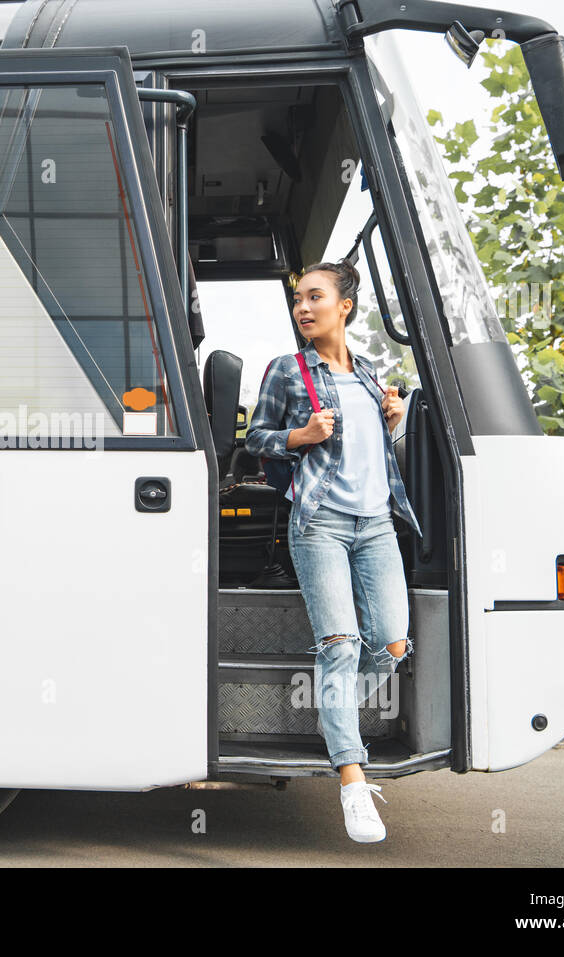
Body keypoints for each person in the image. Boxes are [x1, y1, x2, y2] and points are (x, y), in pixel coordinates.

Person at [244, 259, 422, 843]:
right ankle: (351, 777)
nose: (302, 308)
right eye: (298, 299)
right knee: (341, 646)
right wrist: (301, 436)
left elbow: (380, 455)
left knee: (391, 645)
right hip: (318, 523)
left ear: (345, 305)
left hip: (376, 526)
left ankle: (329, 702)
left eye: (314, 297)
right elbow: (255, 439)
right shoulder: (287, 370)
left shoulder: (371, 374)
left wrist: (393, 420)